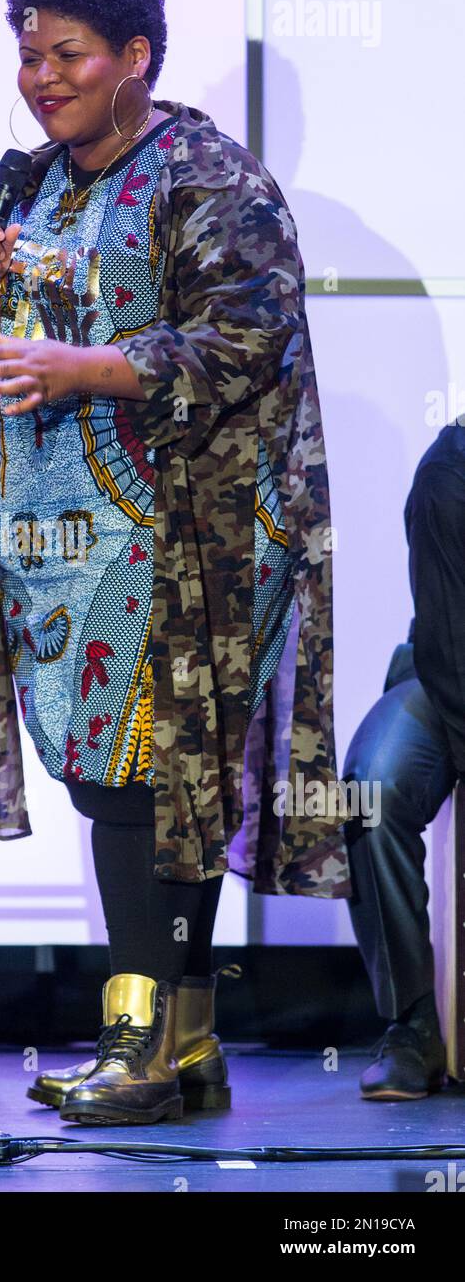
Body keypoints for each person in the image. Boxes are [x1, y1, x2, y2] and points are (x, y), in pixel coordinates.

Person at [0, 0, 350, 1127]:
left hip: (175, 536)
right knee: (101, 784)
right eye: (28, 56)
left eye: (65, 55)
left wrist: (88, 363)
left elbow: (242, 342)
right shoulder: (26, 183)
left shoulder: (209, 176)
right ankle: (174, 1047)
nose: (40, 78)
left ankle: (152, 1050)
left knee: (150, 793)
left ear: (134, 57)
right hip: (52, 537)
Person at [342, 424, 465, 1099]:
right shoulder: (450, 472)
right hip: (447, 676)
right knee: (370, 790)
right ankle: (411, 1024)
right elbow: (451, 646)